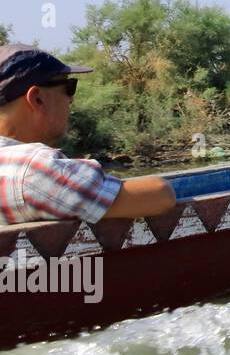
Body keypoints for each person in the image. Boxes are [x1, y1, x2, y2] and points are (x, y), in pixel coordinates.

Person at [0, 44, 176, 226]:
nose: (71, 99)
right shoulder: (31, 169)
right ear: (37, 99)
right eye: (69, 86)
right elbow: (160, 195)